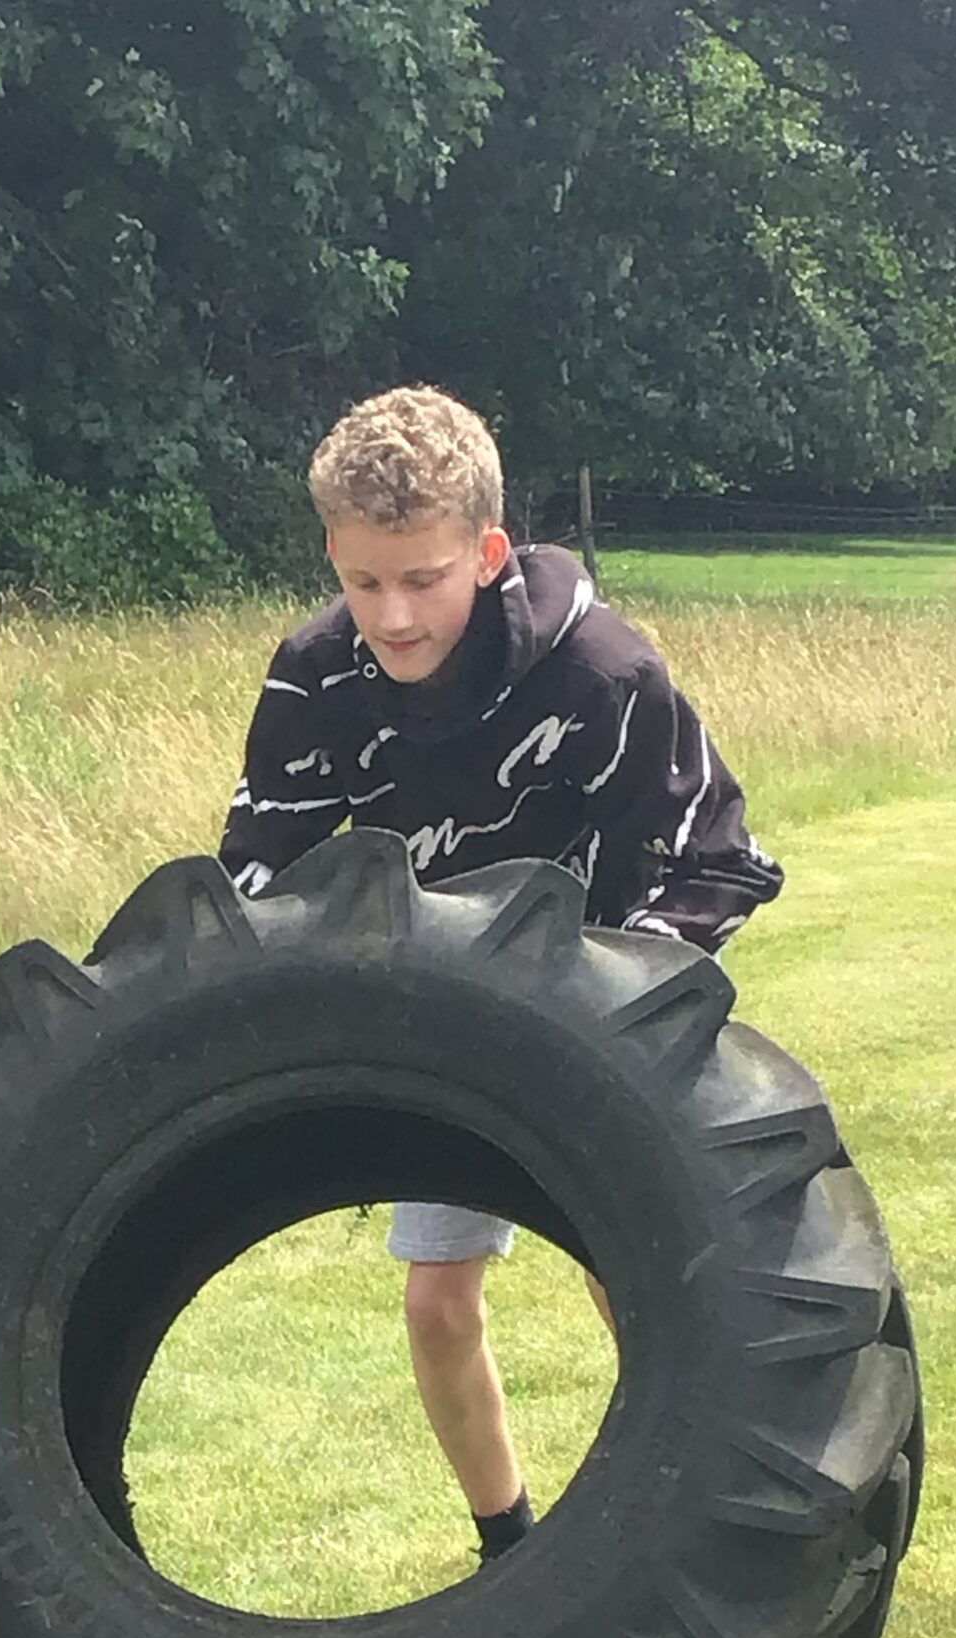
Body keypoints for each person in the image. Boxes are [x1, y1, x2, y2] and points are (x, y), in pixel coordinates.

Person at [218, 384, 782, 1564]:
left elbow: (713, 862)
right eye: (364, 581)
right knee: (435, 1299)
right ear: (331, 554)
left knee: (639, 1277)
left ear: (486, 549)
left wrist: (614, 1017)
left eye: (423, 578)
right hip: (443, 1027)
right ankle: (509, 1548)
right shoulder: (317, 675)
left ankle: (690, 1504)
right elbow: (257, 877)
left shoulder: (603, 674)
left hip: (604, 1021)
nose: (395, 614)